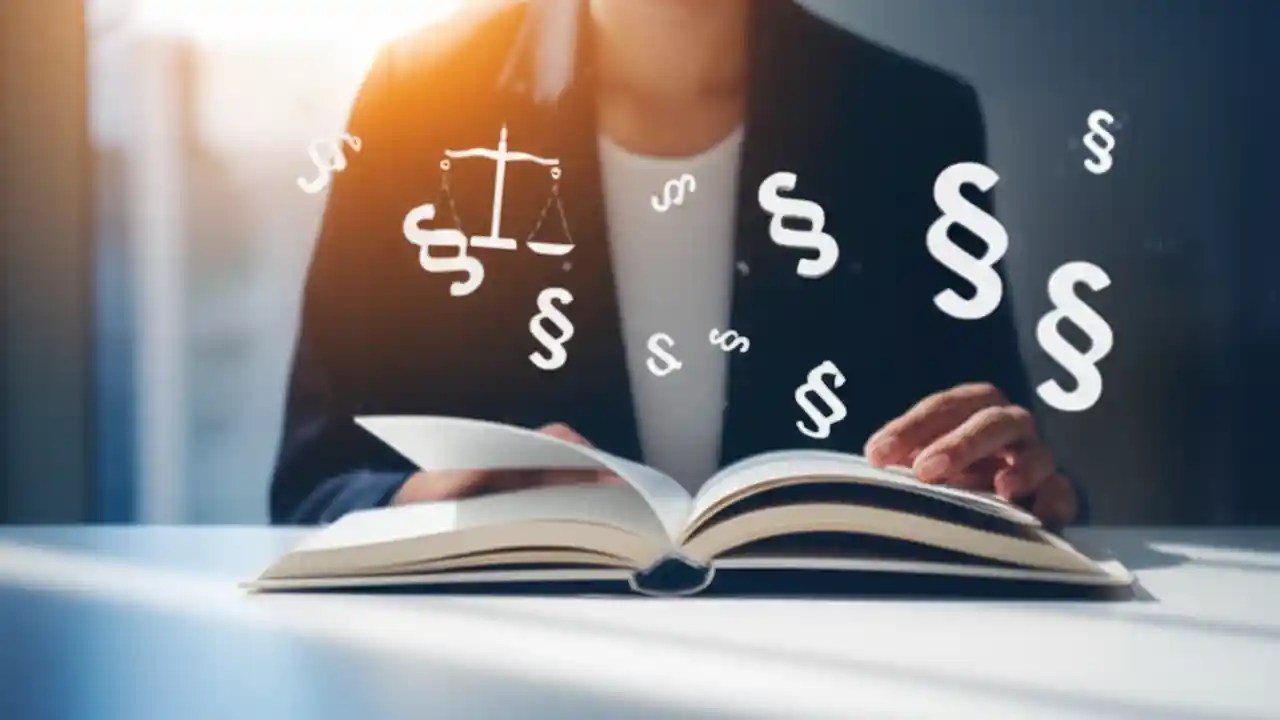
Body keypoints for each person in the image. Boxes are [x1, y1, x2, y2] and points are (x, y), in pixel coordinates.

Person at [270, 0, 1080, 527]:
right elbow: (313, 488)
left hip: (827, 662)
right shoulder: (418, 99)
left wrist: (1016, 488)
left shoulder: (913, 119)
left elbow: (998, 460)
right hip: (508, 664)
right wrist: (436, 498)